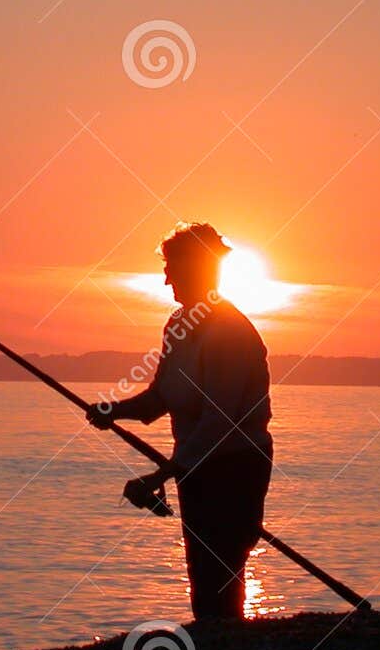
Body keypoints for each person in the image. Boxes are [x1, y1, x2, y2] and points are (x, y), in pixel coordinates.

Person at [87, 223, 273, 621]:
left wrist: (160, 477)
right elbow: (161, 398)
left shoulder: (230, 333)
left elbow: (217, 423)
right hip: (195, 467)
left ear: (199, 268)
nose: (166, 277)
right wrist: (114, 411)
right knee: (201, 573)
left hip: (236, 466)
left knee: (220, 569)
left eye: (173, 267)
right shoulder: (178, 326)